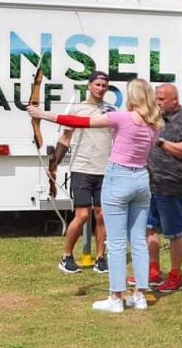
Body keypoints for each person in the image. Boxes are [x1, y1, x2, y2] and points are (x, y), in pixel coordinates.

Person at [29, 78, 161, 312]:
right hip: (141, 179)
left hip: (118, 177)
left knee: (117, 242)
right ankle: (140, 295)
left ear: (134, 96)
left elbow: (80, 121)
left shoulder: (121, 117)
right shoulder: (155, 123)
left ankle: (116, 298)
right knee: (138, 241)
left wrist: (43, 114)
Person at [50, 71, 112, 275]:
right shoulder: (77, 110)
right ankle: (66, 256)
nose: (101, 89)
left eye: (104, 85)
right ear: (89, 86)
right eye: (97, 85)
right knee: (83, 215)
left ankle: (101, 258)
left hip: (105, 169)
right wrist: (54, 164)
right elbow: (65, 139)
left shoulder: (111, 110)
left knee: (102, 216)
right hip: (83, 168)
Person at [146, 82, 182, 293]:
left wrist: (161, 142)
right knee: (149, 228)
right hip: (151, 183)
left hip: (173, 184)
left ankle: (176, 276)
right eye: (156, 98)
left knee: (174, 233)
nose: (157, 103)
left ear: (174, 101)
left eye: (161, 99)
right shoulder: (155, 119)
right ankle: (153, 271)